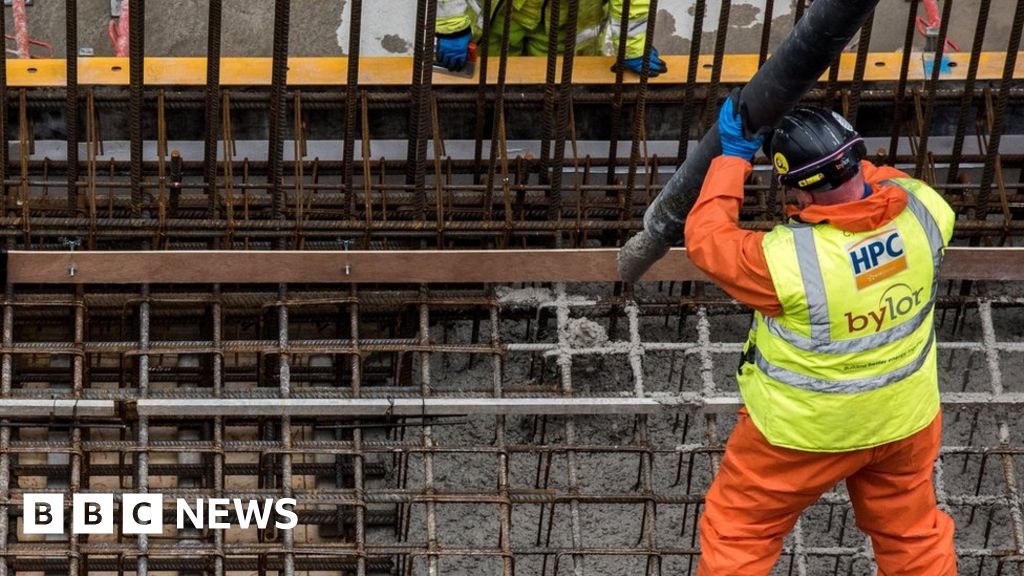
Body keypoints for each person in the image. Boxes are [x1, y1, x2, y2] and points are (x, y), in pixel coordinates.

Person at [683, 93, 958, 575]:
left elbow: (707, 238)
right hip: (904, 421)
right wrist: (828, 153)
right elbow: (881, 179)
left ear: (797, 190)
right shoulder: (928, 212)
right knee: (912, 536)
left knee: (740, 534)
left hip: (802, 435)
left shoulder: (785, 264)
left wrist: (732, 159)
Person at [434, 0, 666, 76]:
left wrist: (633, 48)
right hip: (502, 15)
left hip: (567, 21)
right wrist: (451, 27)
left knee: (552, 98)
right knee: (488, 86)